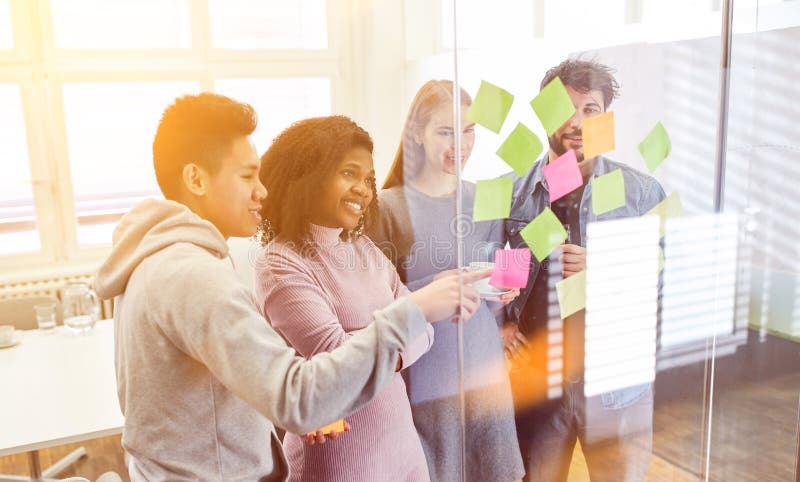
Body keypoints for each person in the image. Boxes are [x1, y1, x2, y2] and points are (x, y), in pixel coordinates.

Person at [94, 93, 483, 481]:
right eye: (247, 176)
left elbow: (224, 394)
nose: (261, 191)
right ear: (196, 178)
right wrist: (412, 313)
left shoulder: (160, 260)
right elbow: (306, 391)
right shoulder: (194, 276)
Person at [253, 114, 488, 482]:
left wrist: (378, 342)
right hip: (338, 463)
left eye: (368, 179)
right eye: (349, 173)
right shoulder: (280, 262)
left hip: (402, 449)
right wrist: (408, 318)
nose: (364, 189)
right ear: (307, 174)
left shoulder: (362, 248)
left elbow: (423, 334)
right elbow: (336, 363)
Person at [503, 59, 666, 482]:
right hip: (539, 386)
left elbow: (669, 284)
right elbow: (503, 263)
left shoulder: (642, 194)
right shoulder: (514, 195)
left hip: (616, 389)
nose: (576, 122)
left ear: (605, 118)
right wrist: (502, 323)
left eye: (590, 109)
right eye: (562, 109)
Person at [367, 80, 525, 482]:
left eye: (469, 131)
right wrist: (431, 289)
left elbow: (504, 273)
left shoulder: (488, 197)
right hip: (424, 380)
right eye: (446, 131)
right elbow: (370, 307)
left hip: (484, 372)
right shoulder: (387, 208)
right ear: (417, 134)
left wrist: (508, 295)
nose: (462, 144)